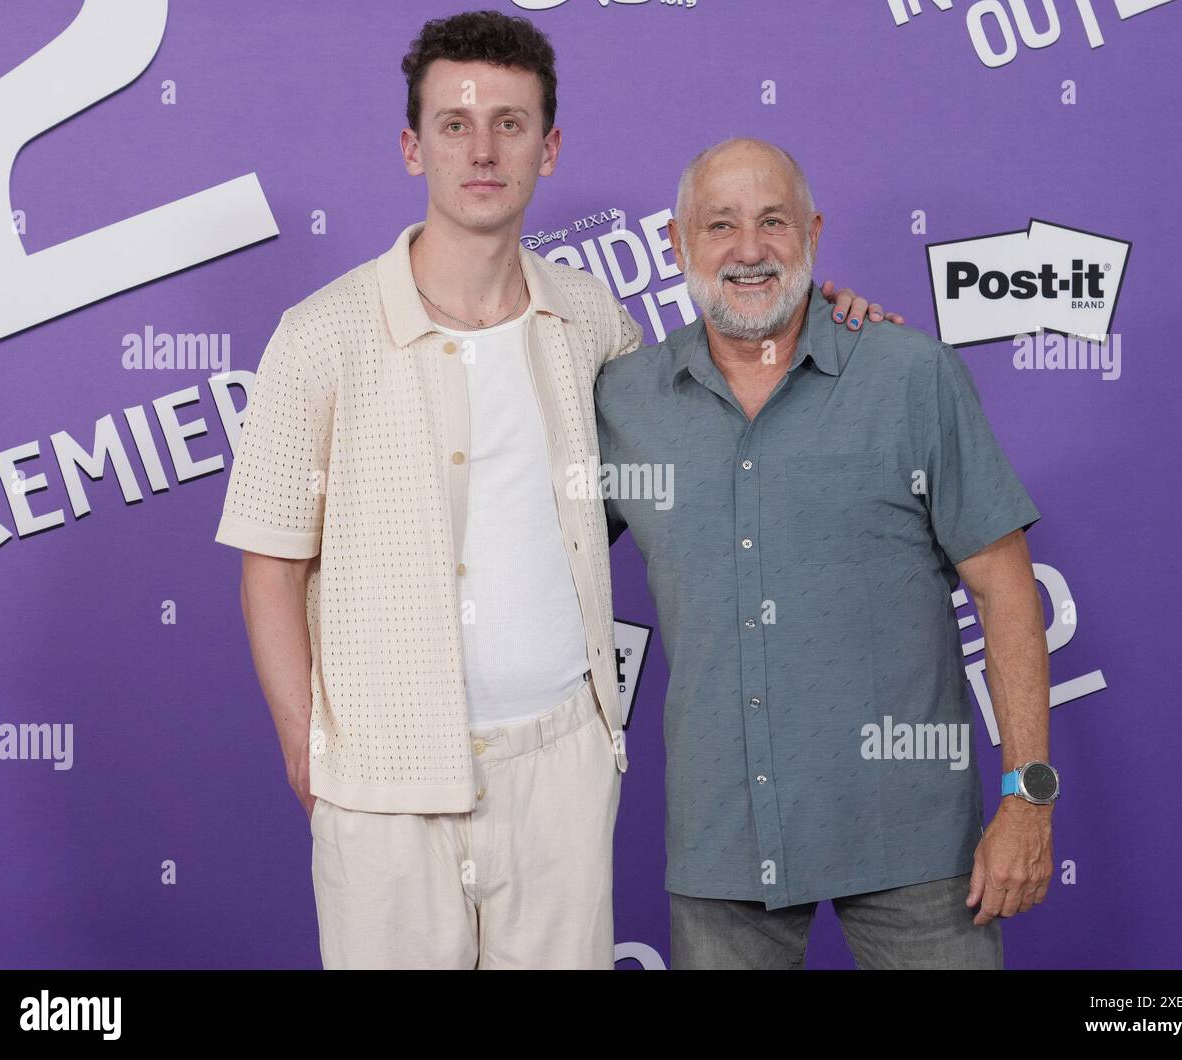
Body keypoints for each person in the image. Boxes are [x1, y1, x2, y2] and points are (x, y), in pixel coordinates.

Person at [213, 11, 891, 969]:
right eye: (454, 123)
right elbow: (271, 565)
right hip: (382, 781)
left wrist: (818, 314)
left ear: (550, 147)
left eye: (511, 123)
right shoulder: (320, 337)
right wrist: (306, 750)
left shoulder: (588, 318)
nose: (483, 148)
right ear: (413, 148)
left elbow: (713, 390)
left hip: (563, 767)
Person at [594, 137, 1056, 970]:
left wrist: (1028, 798)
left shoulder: (909, 376)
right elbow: (535, 561)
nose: (748, 249)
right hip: (722, 842)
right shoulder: (624, 402)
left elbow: (1008, 592)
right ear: (675, 244)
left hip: (914, 841)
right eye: (720, 224)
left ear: (812, 232)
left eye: (773, 222)